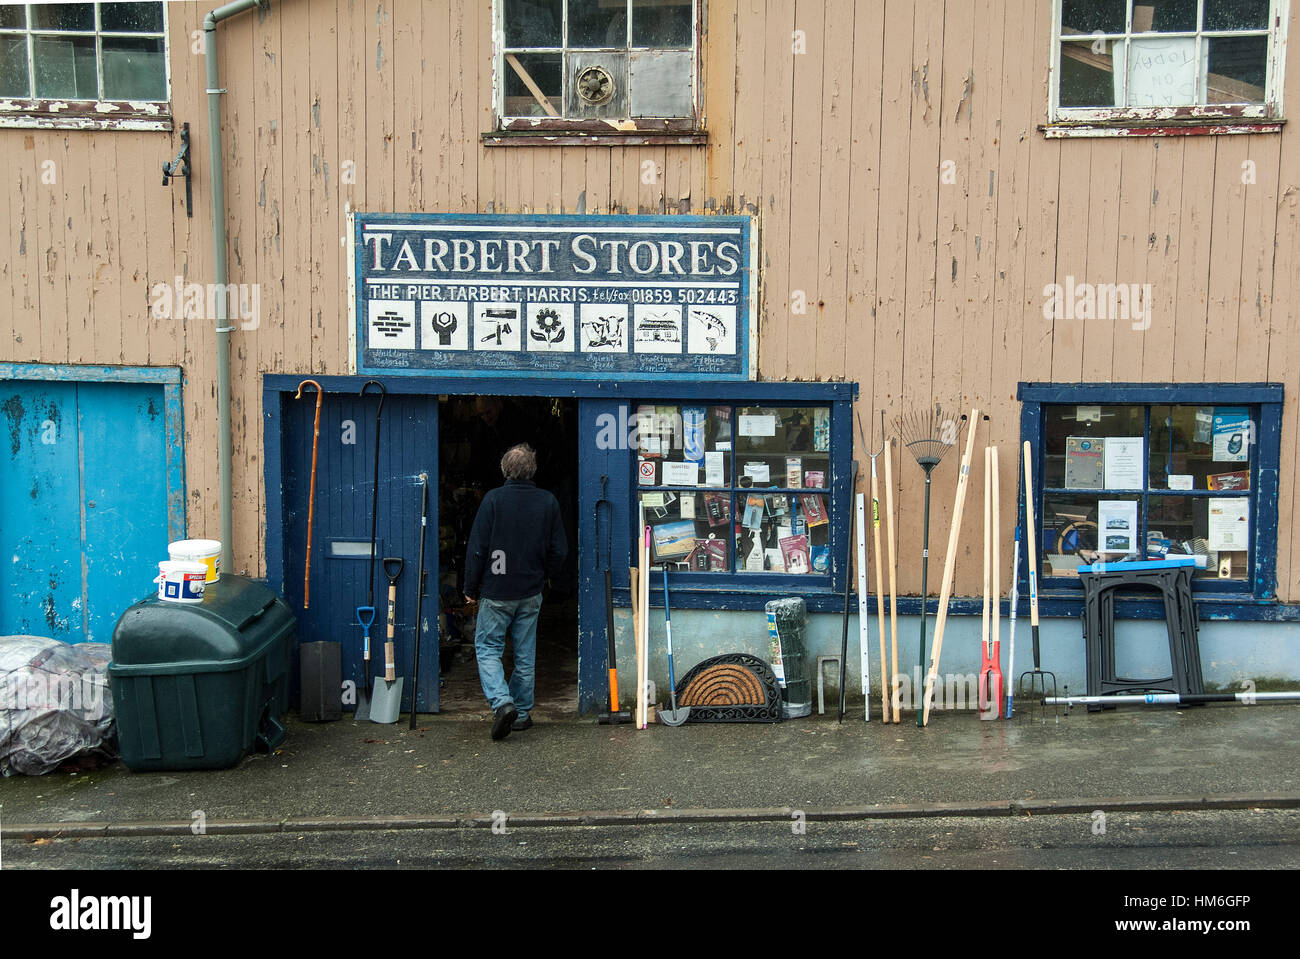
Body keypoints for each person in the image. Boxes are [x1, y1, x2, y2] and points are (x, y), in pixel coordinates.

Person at [463, 443, 568, 740]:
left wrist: (470, 588)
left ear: (504, 470)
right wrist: (545, 575)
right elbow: (559, 550)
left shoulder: (493, 500)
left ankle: (502, 703)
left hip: (496, 590)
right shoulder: (547, 502)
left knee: (487, 649)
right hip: (530, 590)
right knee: (524, 655)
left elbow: (477, 549)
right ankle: (520, 713)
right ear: (532, 470)